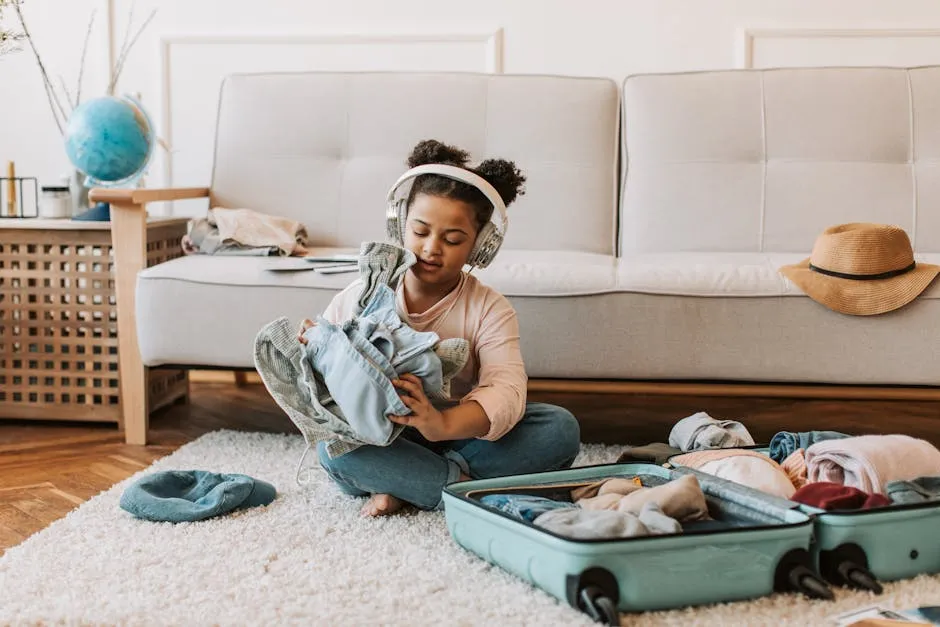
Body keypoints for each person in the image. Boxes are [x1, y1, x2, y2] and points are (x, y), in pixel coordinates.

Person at [298, 139, 581, 517]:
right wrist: (316, 346)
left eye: (452, 239)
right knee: (333, 450)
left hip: (459, 432)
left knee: (559, 428)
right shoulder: (360, 294)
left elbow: (506, 389)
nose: (432, 248)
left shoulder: (490, 308)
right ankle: (460, 487)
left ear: (480, 247)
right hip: (383, 438)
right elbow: (323, 389)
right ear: (399, 225)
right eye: (420, 232)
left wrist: (441, 422)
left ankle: (410, 484)